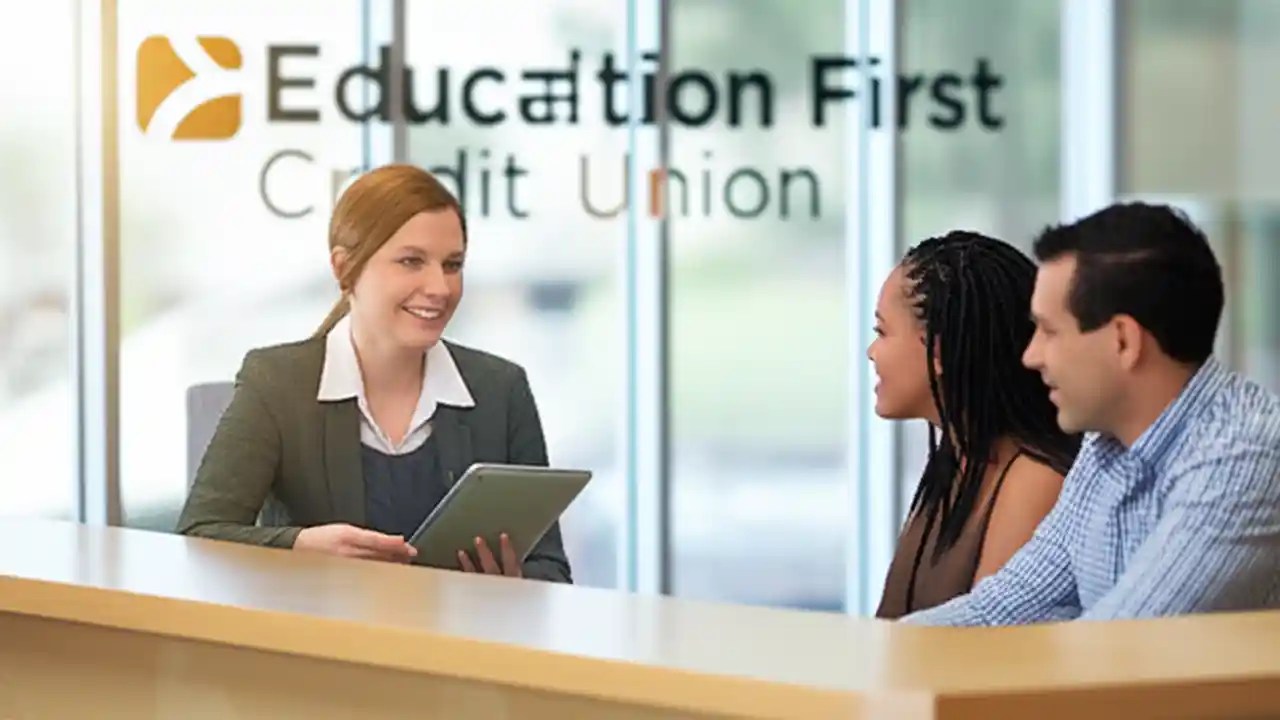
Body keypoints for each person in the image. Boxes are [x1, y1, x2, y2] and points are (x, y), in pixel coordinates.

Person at [176, 164, 571, 582]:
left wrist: (512, 583)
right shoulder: (277, 384)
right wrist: (299, 547)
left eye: (452, 265)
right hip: (318, 623)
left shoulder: (501, 391)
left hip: (461, 625)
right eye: (411, 261)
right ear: (344, 268)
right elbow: (199, 536)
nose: (440, 288)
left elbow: (551, 570)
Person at [903, 202, 1280, 625]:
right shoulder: (1105, 445)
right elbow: (1001, 607)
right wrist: (882, 650)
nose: (1031, 356)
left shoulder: (1243, 454)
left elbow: (1124, 643)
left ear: (1123, 341)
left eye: (1049, 331)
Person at [869, 231, 1081, 618]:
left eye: (881, 332)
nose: (871, 352)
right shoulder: (956, 460)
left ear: (937, 349)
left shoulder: (1033, 481)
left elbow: (986, 640)